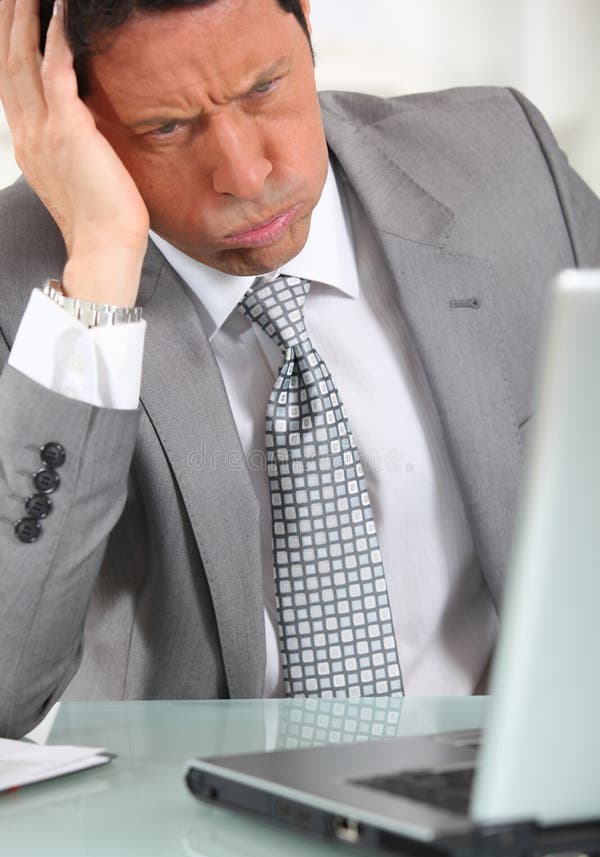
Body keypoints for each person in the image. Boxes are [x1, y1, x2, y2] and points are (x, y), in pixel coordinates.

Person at [0, 0, 598, 739]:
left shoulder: (504, 162)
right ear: (68, 118)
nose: (246, 175)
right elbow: (6, 686)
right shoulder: (27, 291)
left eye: (263, 88)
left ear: (308, 23)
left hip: (517, 788)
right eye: (166, 128)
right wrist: (96, 266)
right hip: (189, 830)